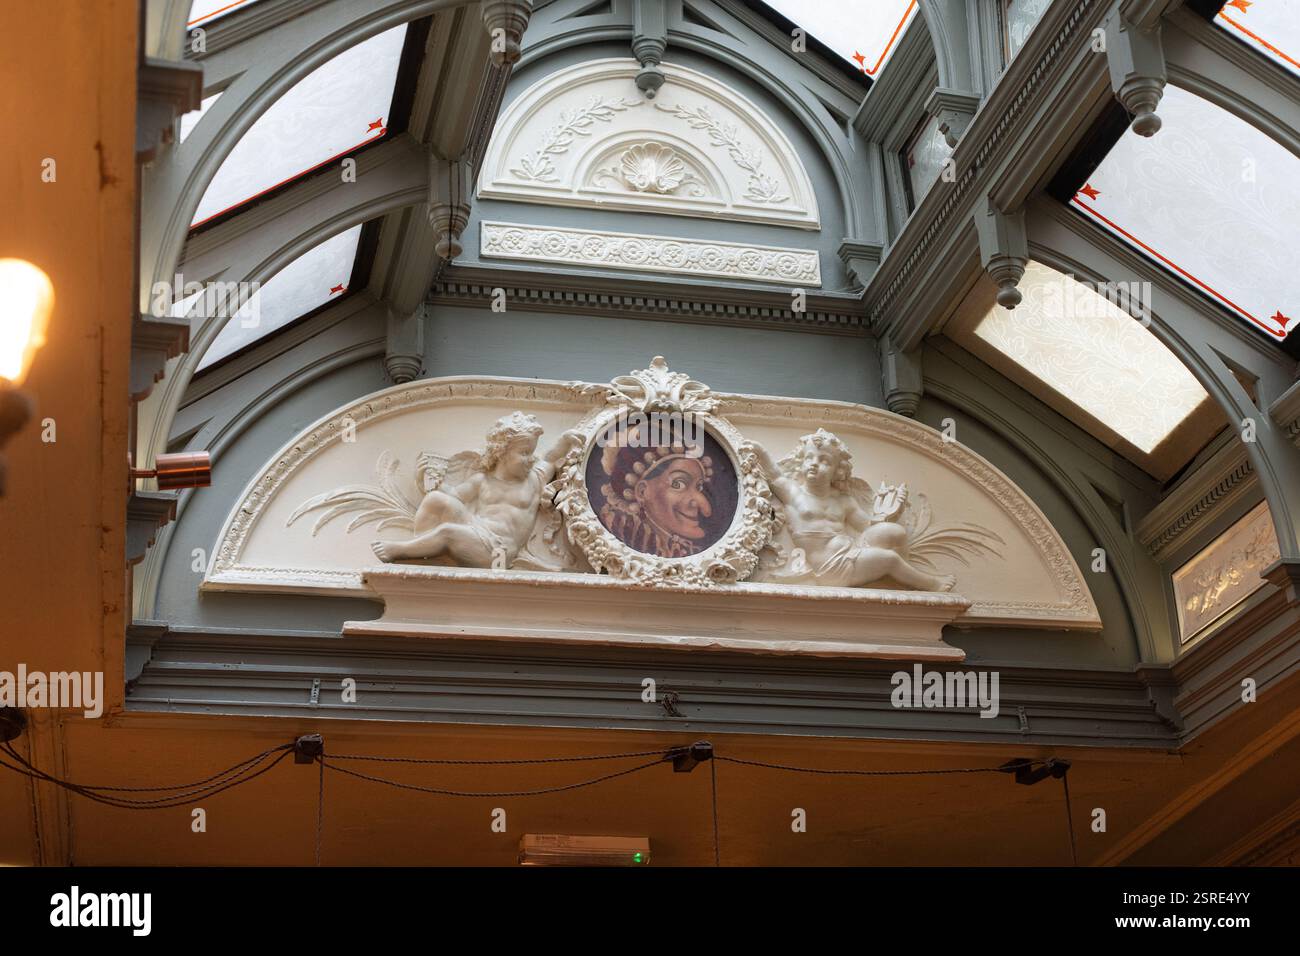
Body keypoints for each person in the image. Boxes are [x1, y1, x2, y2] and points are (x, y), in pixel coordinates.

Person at [749, 429, 956, 591]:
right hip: (830, 567)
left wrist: (890, 513)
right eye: (810, 458)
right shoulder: (793, 493)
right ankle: (929, 583)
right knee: (888, 559)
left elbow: (866, 526)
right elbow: (775, 475)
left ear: (836, 471)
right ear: (801, 462)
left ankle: (898, 579)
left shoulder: (843, 500)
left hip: (851, 550)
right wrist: (760, 451)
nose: (814, 464)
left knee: (894, 532)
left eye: (824, 461)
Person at [371, 412, 581, 568]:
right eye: (524, 452)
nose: (531, 458)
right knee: (436, 499)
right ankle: (421, 552)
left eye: (532, 452)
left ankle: (399, 550)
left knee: (448, 532)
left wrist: (564, 441)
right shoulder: (482, 481)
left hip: (498, 551)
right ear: (501, 452)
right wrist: (424, 481)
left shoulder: (534, 480)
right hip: (477, 530)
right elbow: (452, 496)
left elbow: (550, 458)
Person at [598, 438, 717, 558]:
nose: (703, 504)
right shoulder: (619, 535)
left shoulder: (685, 551)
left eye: (699, 487)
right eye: (678, 484)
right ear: (642, 492)